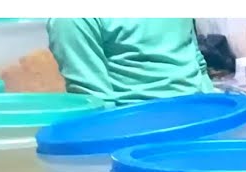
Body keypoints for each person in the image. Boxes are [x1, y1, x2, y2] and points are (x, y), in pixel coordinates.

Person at [47, 19, 216, 107]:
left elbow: (198, 65)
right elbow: (96, 104)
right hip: (135, 135)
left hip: (202, 119)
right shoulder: (72, 19)